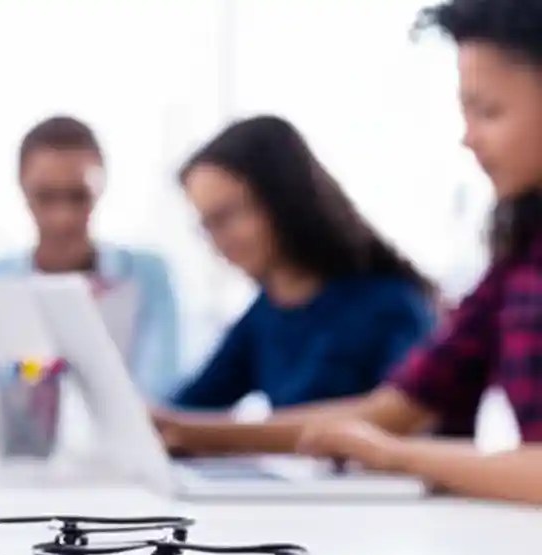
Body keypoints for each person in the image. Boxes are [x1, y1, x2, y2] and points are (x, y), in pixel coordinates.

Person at [159, 0, 542, 506]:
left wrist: (396, 455)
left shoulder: (387, 304)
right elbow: (394, 408)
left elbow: (398, 433)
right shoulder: (517, 264)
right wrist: (184, 430)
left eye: (489, 111)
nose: (468, 138)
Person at [170, 115, 437, 411]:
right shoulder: (265, 314)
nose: (218, 240)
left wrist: (200, 434)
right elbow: (189, 406)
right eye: (207, 225)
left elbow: (392, 421)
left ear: (281, 198)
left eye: (227, 217)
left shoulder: (391, 306)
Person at [0, 116, 181, 399]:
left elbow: (157, 389)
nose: (63, 218)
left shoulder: (148, 276)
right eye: (46, 196)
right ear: (22, 187)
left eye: (78, 196)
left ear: (101, 187)